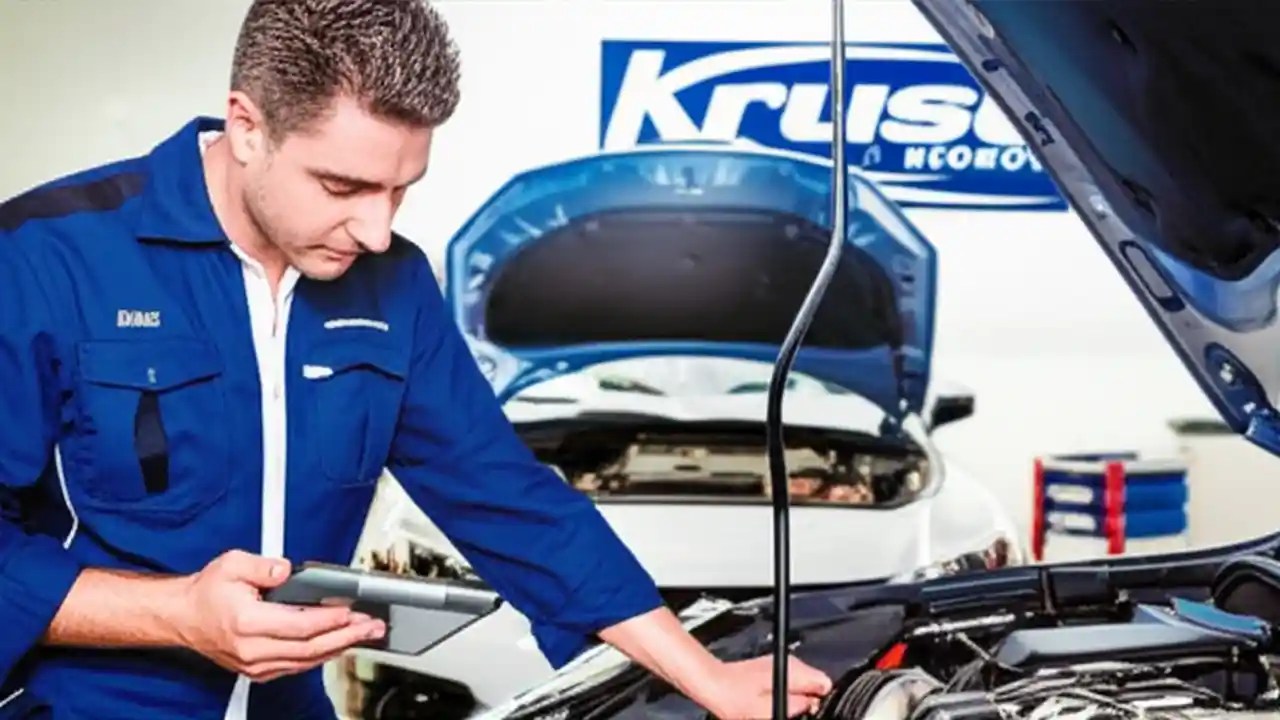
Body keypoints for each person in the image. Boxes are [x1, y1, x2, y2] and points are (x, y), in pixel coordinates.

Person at [0, 1, 834, 718]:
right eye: (343, 187)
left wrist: (710, 680)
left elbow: (508, 500)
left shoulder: (392, 283)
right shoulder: (45, 259)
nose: (375, 229)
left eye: (401, 190)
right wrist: (179, 614)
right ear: (247, 127)